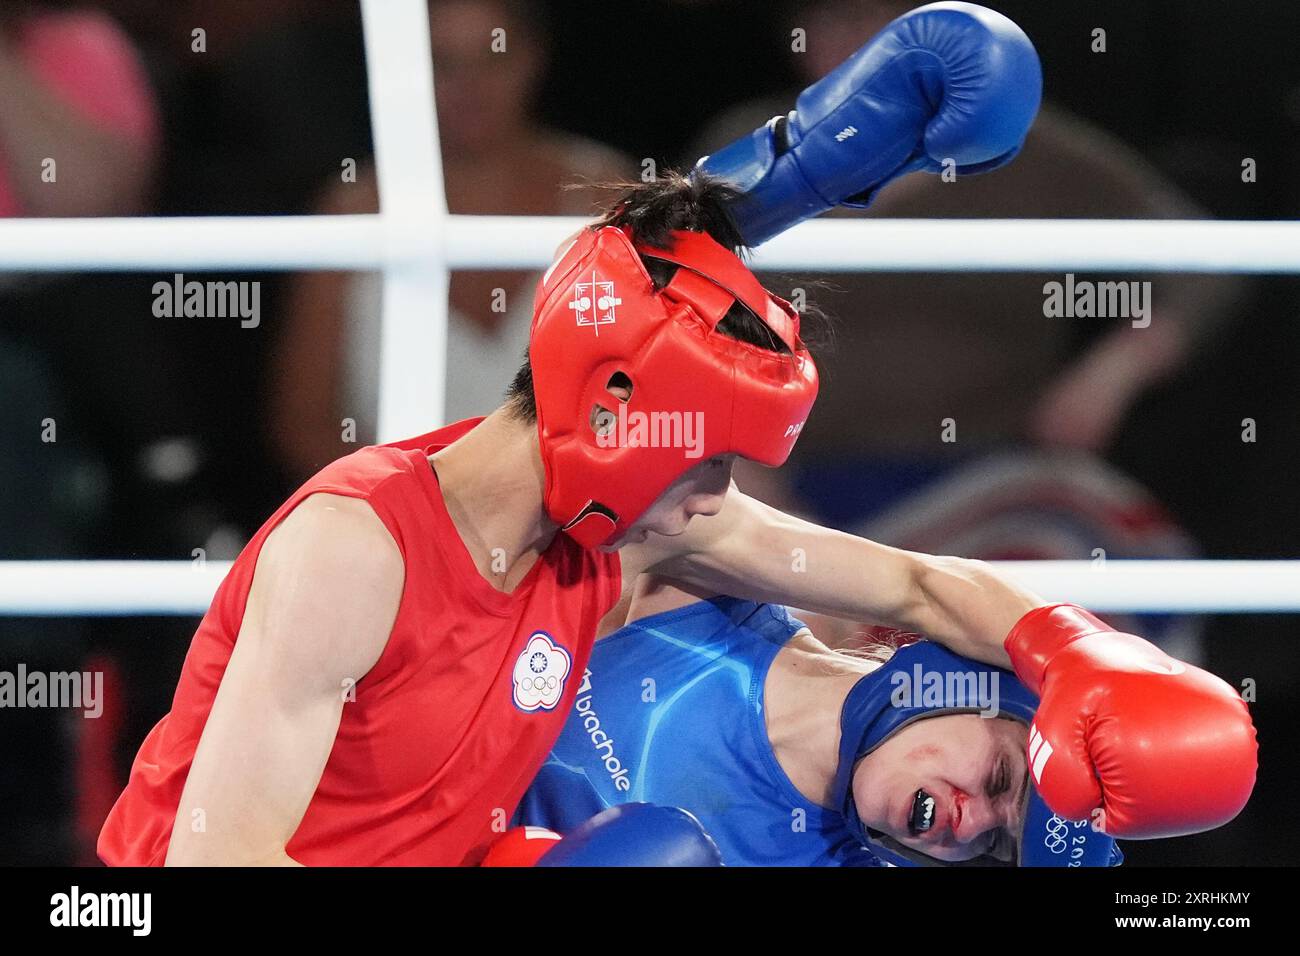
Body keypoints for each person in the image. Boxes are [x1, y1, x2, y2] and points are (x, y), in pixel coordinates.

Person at [97, 4, 1254, 866]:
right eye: (706, 456)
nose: (725, 496)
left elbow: (920, 586)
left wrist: (1089, 656)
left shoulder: (633, 527)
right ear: (612, 420)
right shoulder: (357, 555)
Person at [270, 0, 633, 484]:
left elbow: (658, 395)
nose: (470, 88)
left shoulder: (606, 194)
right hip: (397, 529)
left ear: (532, 59)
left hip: (583, 527)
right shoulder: (349, 210)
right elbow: (303, 425)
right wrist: (429, 508)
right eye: (442, 63)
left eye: (493, 58)